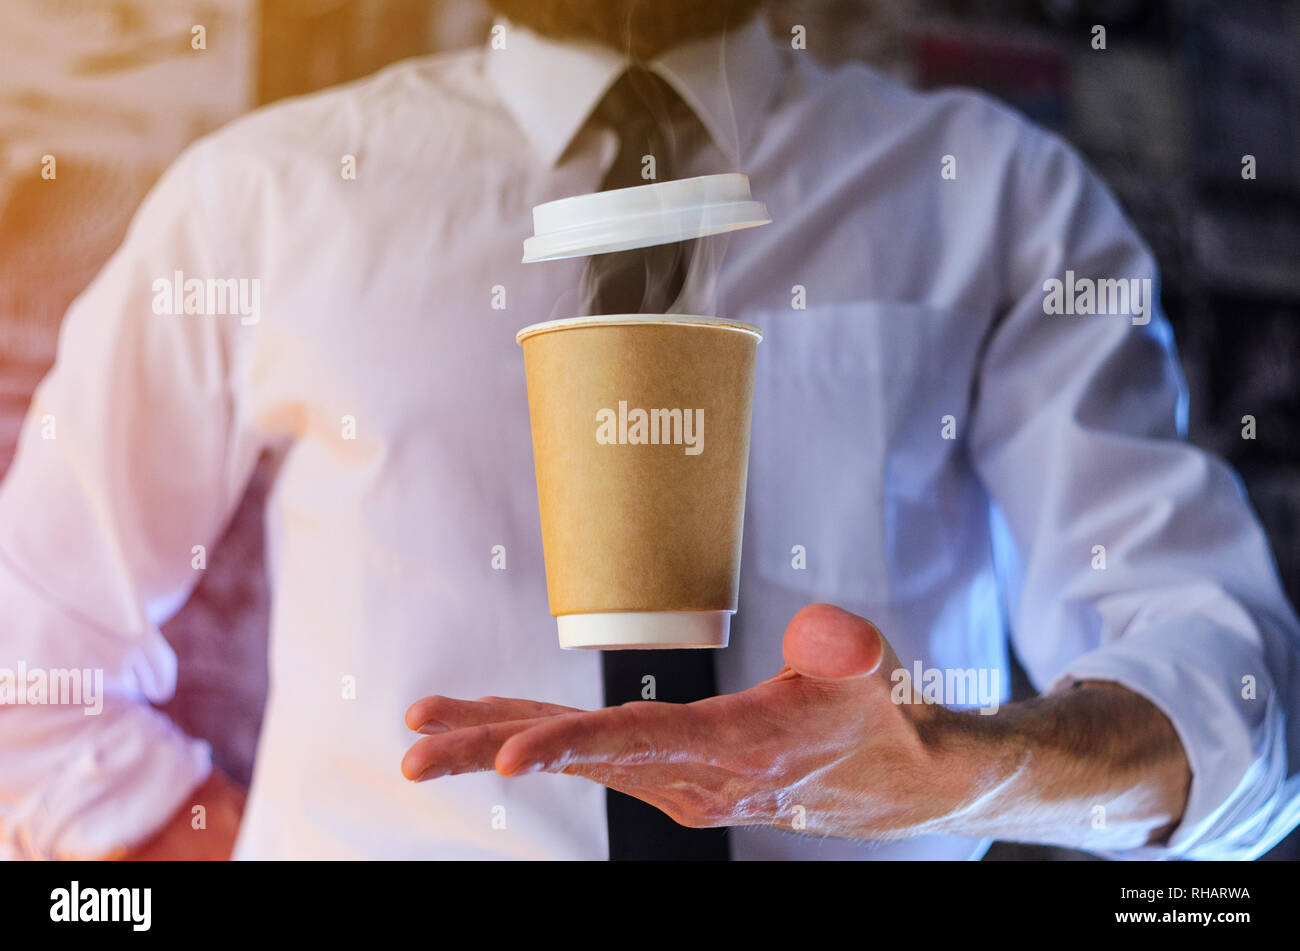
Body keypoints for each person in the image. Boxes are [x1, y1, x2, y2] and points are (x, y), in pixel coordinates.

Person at [1, 0, 1297, 861]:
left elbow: (1244, 703)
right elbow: (26, 670)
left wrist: (983, 764)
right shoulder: (262, 200)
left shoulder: (999, 196)